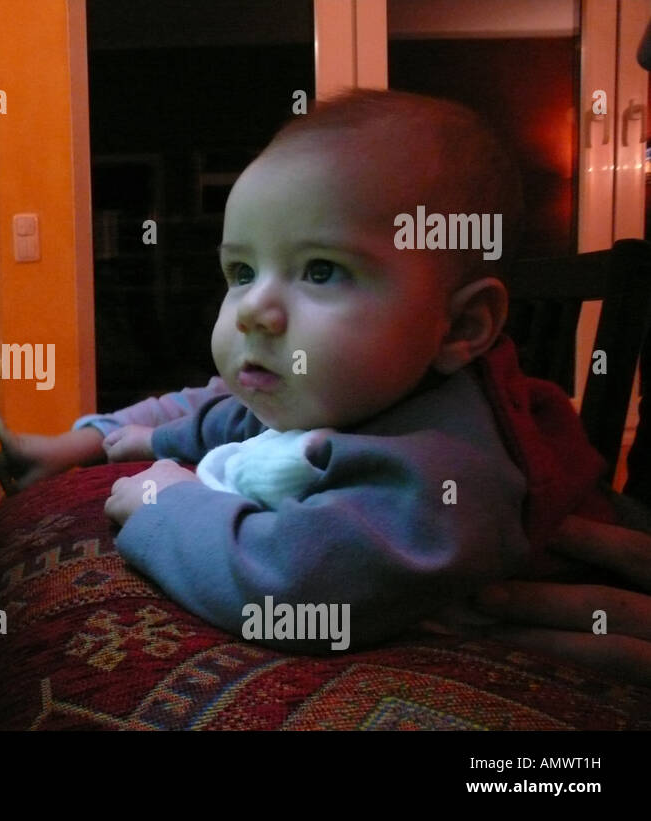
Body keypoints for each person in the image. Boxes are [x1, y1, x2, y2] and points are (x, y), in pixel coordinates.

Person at [39, 88, 651, 655]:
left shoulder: (444, 467)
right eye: (242, 273)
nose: (252, 309)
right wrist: (151, 440)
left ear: (462, 328)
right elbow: (239, 416)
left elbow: (292, 587)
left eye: (322, 270)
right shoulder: (361, 389)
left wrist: (166, 505)